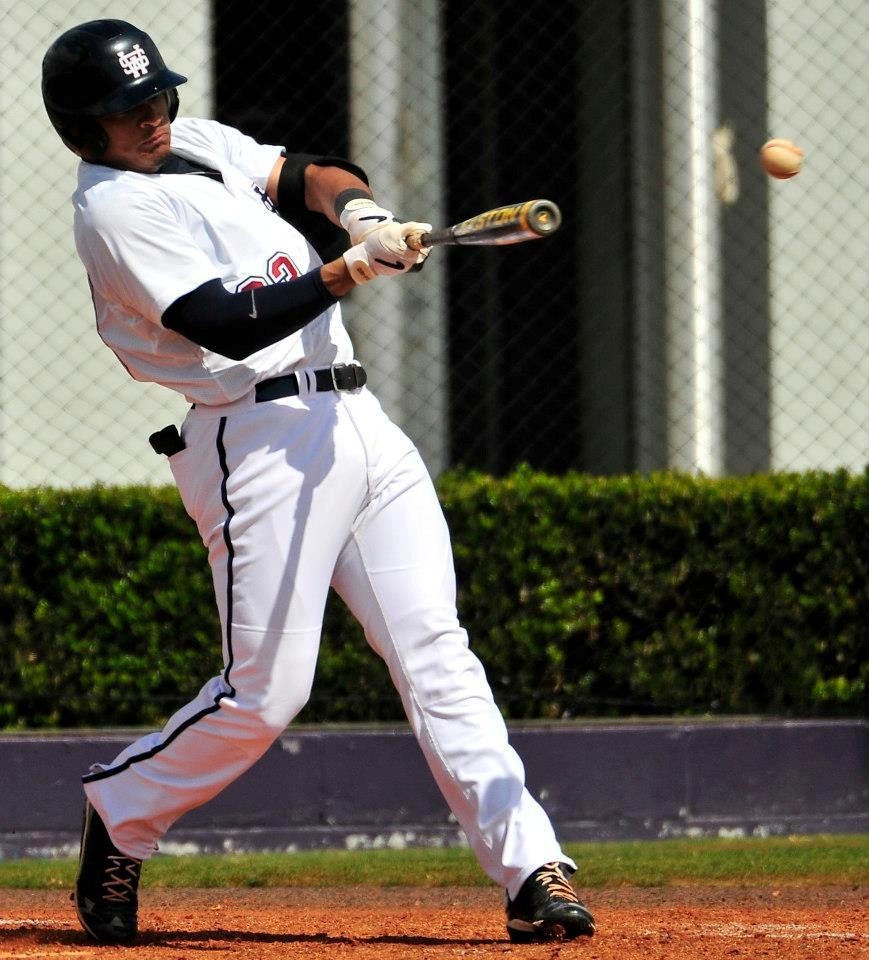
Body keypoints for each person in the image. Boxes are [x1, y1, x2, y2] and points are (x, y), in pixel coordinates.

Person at [41, 19, 595, 946]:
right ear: (82, 126)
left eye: (155, 96)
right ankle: (121, 808)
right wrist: (345, 272)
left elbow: (309, 173)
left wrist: (363, 217)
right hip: (253, 440)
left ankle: (531, 869)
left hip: (358, 425)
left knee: (437, 655)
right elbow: (225, 322)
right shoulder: (111, 209)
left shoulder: (193, 145)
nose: (149, 116)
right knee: (264, 695)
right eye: (123, 108)